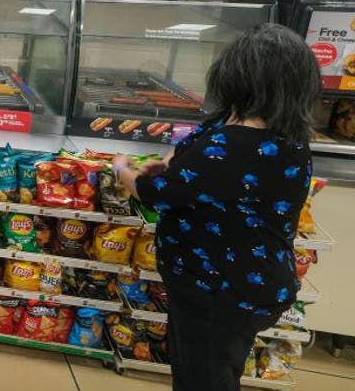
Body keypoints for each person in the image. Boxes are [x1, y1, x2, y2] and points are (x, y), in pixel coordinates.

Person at [113, 23, 319, 391]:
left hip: (219, 290)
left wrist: (120, 168)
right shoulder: (291, 140)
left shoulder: (229, 146)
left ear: (235, 79)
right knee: (213, 372)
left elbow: (157, 190)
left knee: (203, 381)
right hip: (253, 281)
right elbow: (191, 157)